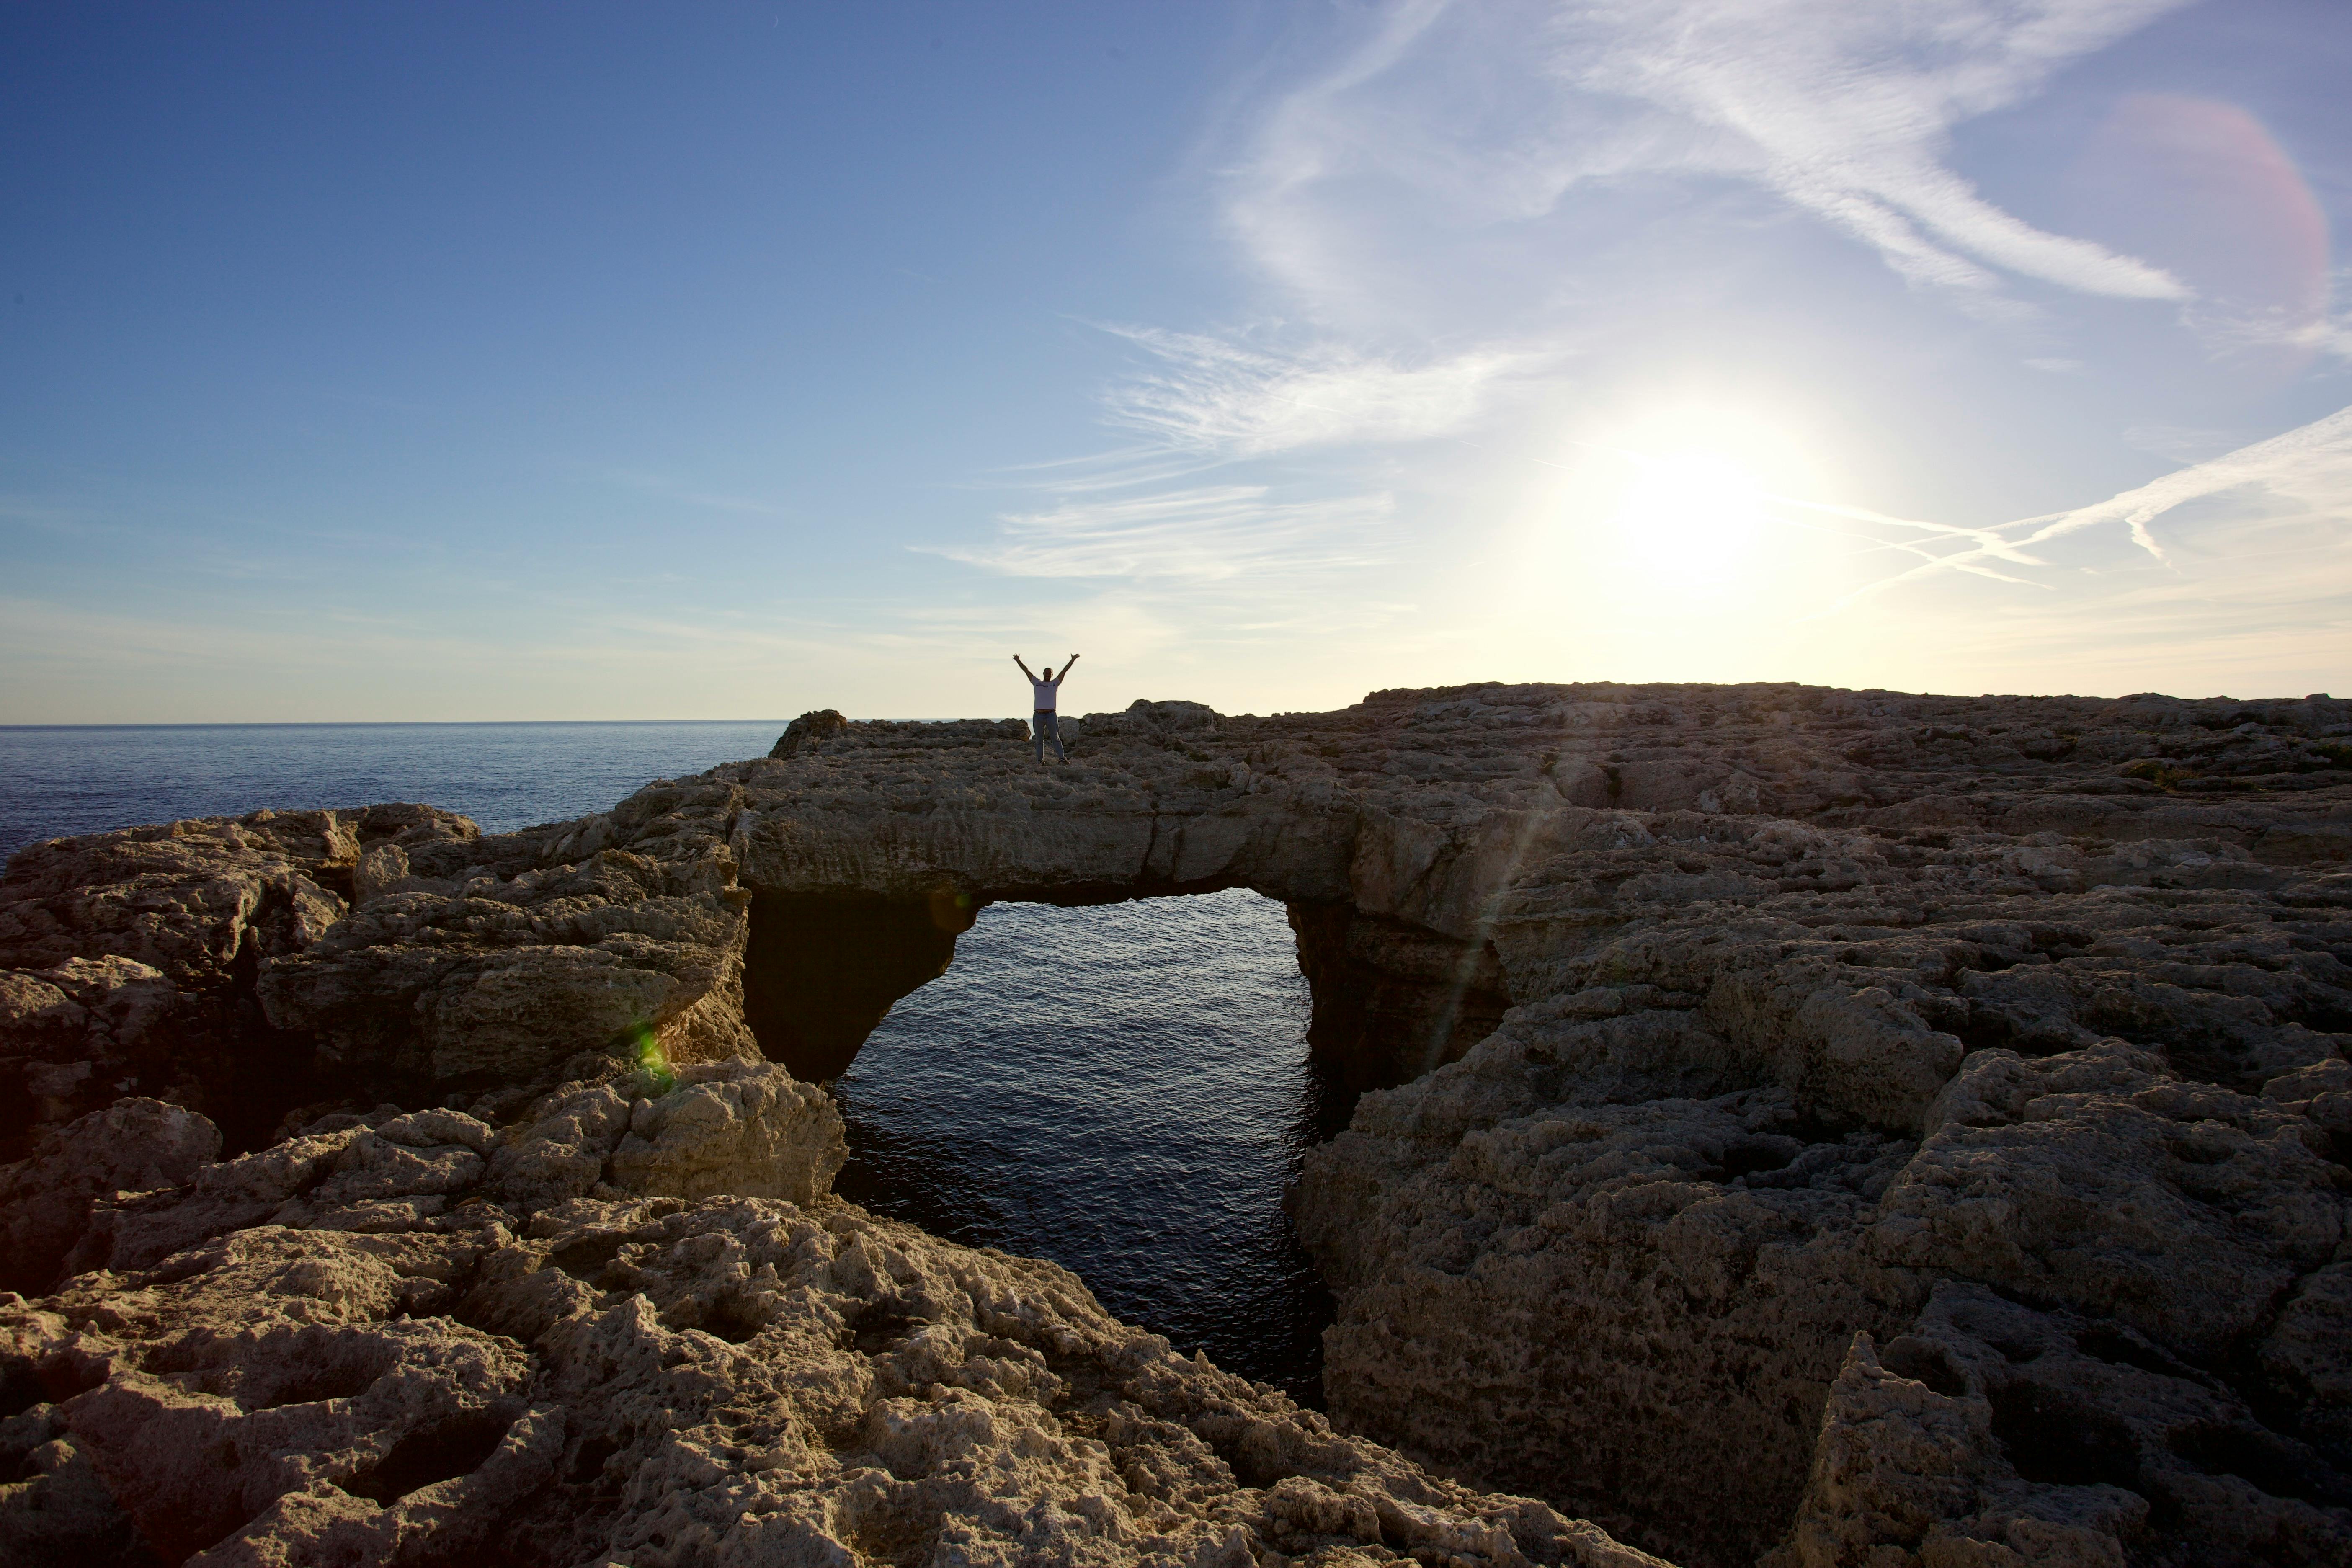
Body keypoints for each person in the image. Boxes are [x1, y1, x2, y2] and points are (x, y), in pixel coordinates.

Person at [1014, 652, 1078, 762]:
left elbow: (1064, 671)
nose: (1048, 674)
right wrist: (1019, 661)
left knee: (1056, 738)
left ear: (1052, 675)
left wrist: (1072, 660)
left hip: (1051, 715)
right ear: (1044, 673)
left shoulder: (1055, 684)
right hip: (1038, 715)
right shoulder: (1036, 683)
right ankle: (1040, 760)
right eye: (1047, 672)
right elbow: (1026, 671)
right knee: (1039, 740)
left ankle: (1062, 758)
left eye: (1050, 673)